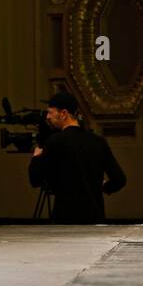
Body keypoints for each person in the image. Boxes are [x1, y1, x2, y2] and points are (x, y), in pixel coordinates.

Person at [29, 92, 126, 222]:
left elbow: (35, 179)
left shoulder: (55, 141)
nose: (47, 117)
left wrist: (36, 157)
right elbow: (119, 179)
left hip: (65, 219)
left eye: (50, 112)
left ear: (63, 113)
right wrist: (101, 186)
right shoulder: (98, 141)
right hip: (95, 218)